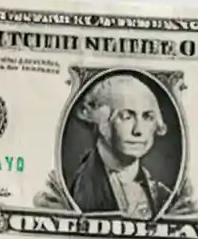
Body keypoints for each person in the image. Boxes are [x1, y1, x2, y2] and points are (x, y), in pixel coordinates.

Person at [67, 73, 174, 219]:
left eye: (148, 117)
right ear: (102, 123)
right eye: (127, 116)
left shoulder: (163, 196)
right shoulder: (75, 189)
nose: (138, 131)